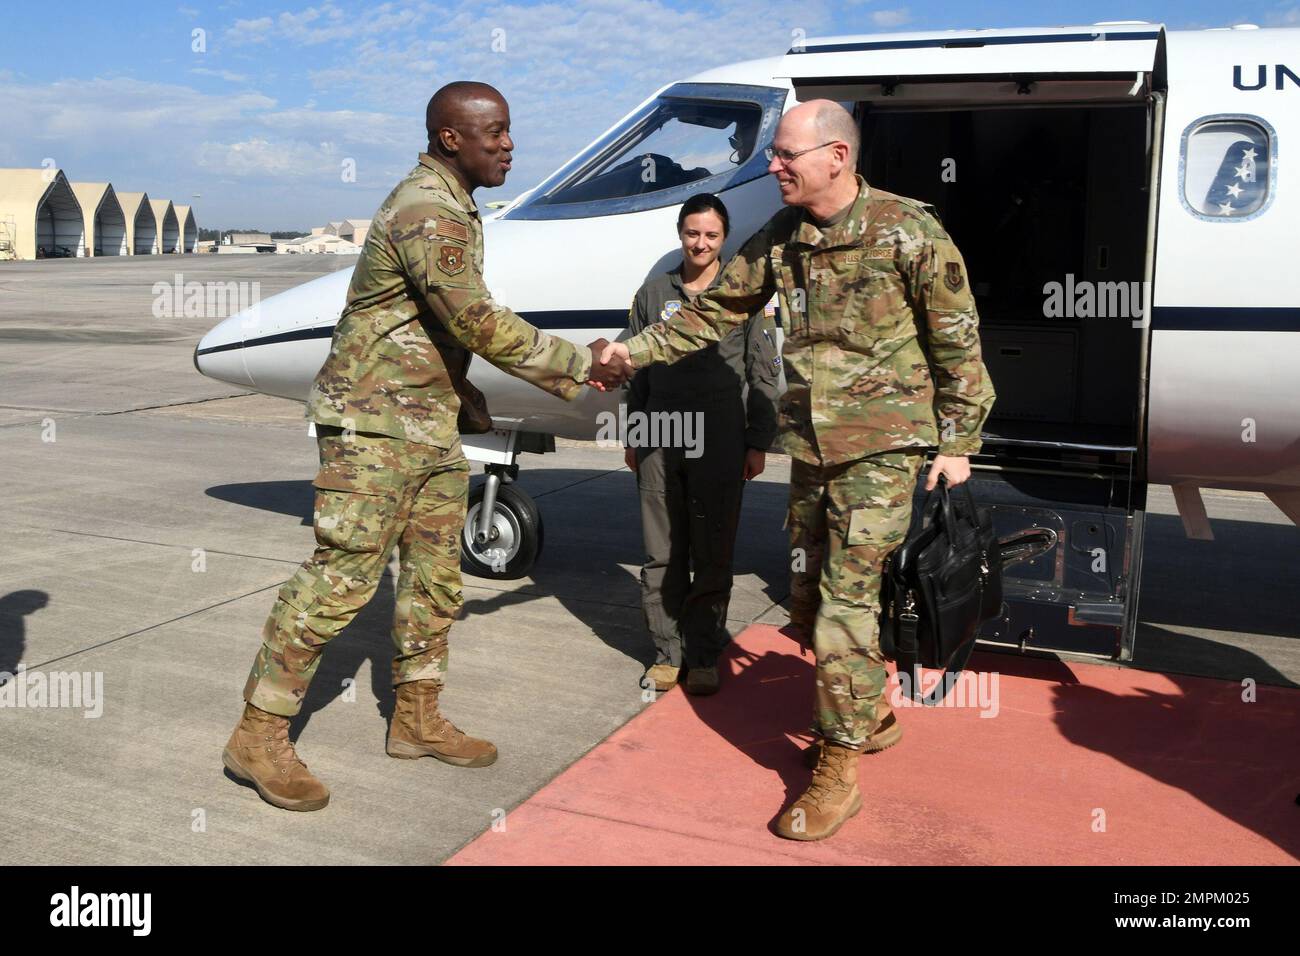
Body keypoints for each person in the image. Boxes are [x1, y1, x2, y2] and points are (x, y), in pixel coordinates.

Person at [597, 99, 996, 841]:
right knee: (810, 605)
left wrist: (956, 442)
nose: (773, 166)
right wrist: (632, 352)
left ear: (836, 158)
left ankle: (838, 766)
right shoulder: (784, 239)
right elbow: (714, 311)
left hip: (882, 452)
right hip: (812, 453)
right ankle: (870, 710)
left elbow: (959, 343)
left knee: (845, 610)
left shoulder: (909, 230)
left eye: (786, 155)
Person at [223, 81, 624, 812]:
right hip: (374, 429)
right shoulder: (427, 209)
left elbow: (433, 328)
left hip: (428, 424)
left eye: (507, 130)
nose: (508, 144)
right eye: (494, 132)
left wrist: (465, 397)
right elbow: (474, 319)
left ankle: (415, 716)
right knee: (340, 578)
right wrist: (579, 363)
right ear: (450, 138)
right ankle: (259, 733)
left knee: (436, 580)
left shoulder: (456, 206)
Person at [625, 193, 780, 697]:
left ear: (723, 239)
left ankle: (705, 653)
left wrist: (757, 441)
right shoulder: (653, 293)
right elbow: (636, 370)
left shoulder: (742, 296)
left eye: (712, 235)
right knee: (662, 553)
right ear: (680, 234)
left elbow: (762, 373)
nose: (701, 243)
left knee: (713, 551)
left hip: (720, 436)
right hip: (660, 434)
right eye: (693, 233)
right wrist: (634, 435)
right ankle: (668, 654)